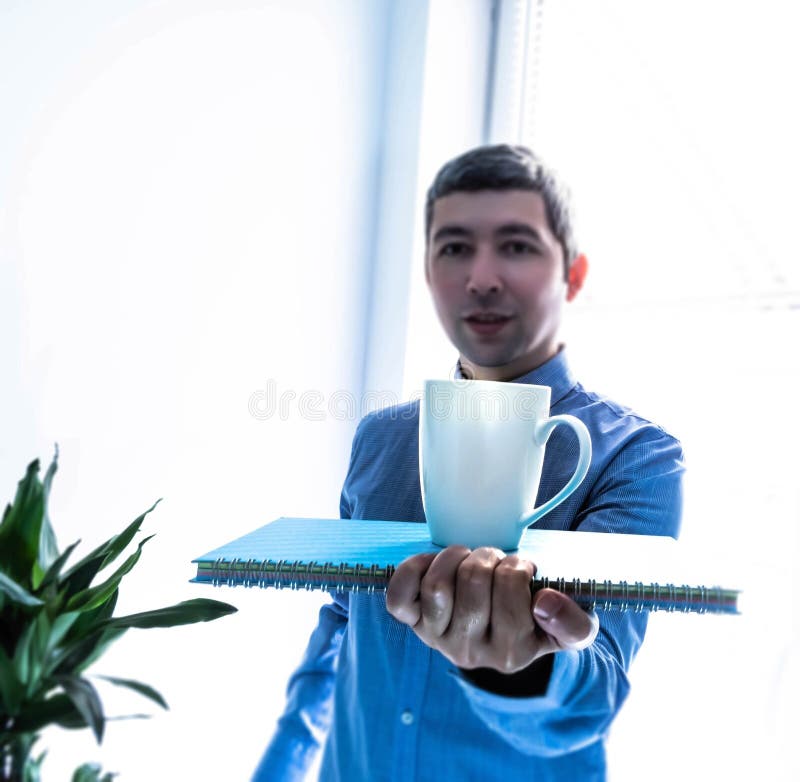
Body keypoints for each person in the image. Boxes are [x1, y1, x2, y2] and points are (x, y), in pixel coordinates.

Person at [253, 144, 684, 781]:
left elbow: (598, 688)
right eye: (455, 248)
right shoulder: (377, 438)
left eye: (516, 246)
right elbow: (341, 622)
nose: (481, 278)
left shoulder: (638, 456)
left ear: (574, 274)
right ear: (429, 274)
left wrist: (525, 666)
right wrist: (281, 767)